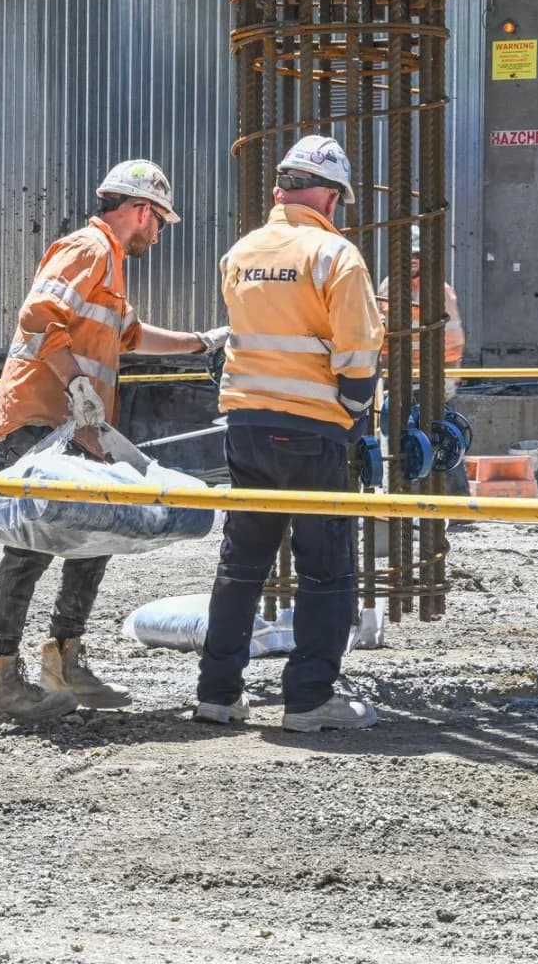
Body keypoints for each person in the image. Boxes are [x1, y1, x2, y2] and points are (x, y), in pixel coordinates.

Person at [0, 159, 228, 722]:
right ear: (140, 211)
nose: (159, 234)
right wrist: (77, 386)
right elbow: (37, 317)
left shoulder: (111, 264)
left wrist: (200, 343)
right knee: (32, 544)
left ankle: (63, 659)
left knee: (95, 532)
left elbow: (130, 334)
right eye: (160, 222)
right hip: (40, 418)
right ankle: (0, 677)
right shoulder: (87, 249)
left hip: (77, 425)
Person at [193, 135, 384, 733]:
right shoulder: (336, 256)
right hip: (310, 429)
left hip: (245, 426)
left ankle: (217, 693)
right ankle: (308, 699)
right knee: (327, 567)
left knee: (242, 563)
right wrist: (355, 417)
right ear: (331, 199)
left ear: (280, 189)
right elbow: (359, 354)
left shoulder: (241, 252)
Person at [378, 222, 470, 497]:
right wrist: (384, 372)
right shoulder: (388, 287)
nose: (413, 260)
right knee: (403, 441)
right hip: (400, 378)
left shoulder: (438, 290)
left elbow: (452, 340)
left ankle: (457, 505)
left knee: (444, 438)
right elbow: (383, 336)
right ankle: (407, 502)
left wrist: (448, 379)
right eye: (409, 255)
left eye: (418, 255)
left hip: (433, 378)